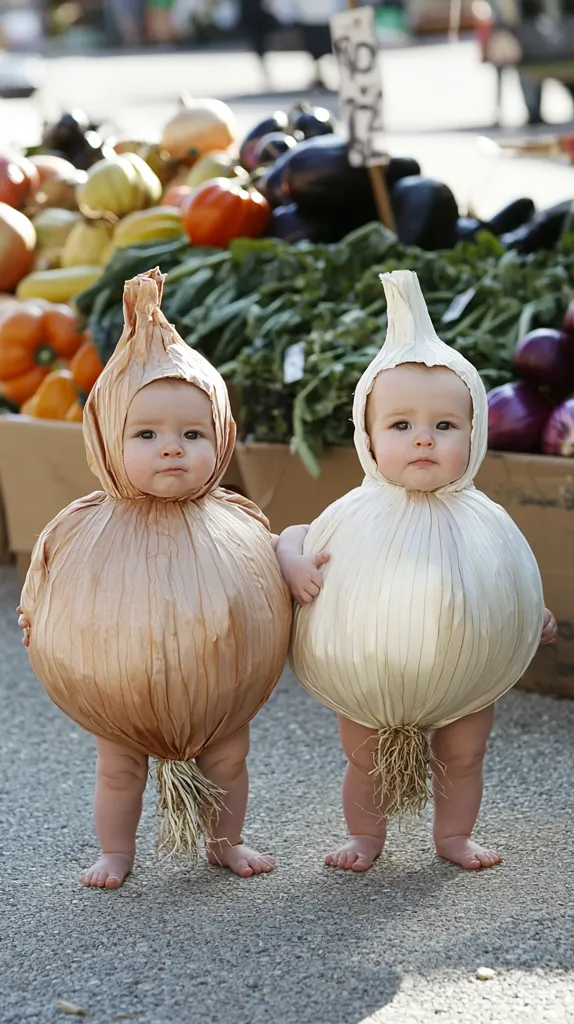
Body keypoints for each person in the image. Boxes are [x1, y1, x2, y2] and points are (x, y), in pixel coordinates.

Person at [17, 270, 291, 890]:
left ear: (221, 439)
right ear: (107, 441)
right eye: (146, 435)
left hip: (218, 680)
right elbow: (45, 569)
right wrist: (34, 609)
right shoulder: (82, 523)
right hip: (119, 685)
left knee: (228, 759)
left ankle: (227, 842)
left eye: (193, 435)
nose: (172, 449)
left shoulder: (239, 519)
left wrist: (293, 564)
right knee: (119, 769)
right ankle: (116, 851)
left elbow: (271, 559)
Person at [276, 358, 557, 874]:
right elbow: (295, 534)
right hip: (372, 667)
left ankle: (454, 836)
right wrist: (291, 561)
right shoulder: (356, 510)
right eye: (401, 426)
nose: (423, 439)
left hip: (463, 671)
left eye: (444, 426)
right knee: (365, 758)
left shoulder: (484, 517)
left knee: (464, 755)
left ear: (475, 437)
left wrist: (527, 612)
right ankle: (364, 835)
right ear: (368, 437)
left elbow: (505, 575)